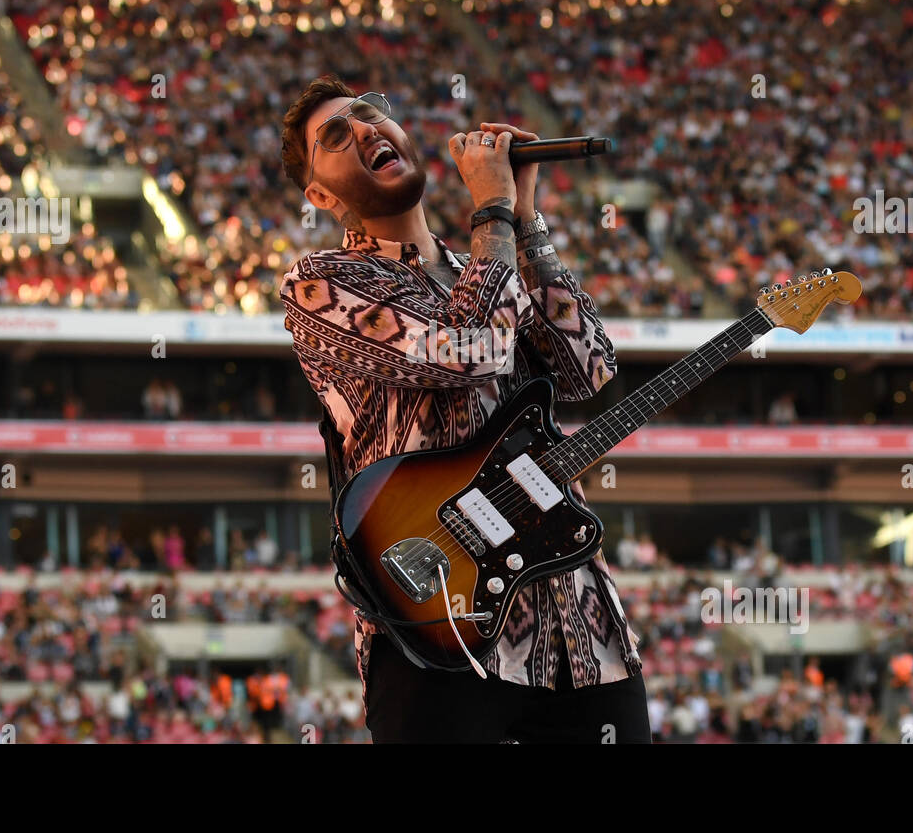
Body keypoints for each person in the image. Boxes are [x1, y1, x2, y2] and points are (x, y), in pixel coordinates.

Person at [278, 74, 648, 744]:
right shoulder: (322, 282)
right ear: (321, 195)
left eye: (370, 115)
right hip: (438, 631)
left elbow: (586, 367)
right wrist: (493, 212)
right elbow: (471, 350)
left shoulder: (485, 258)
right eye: (337, 136)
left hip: (581, 632)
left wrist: (526, 218)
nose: (366, 129)